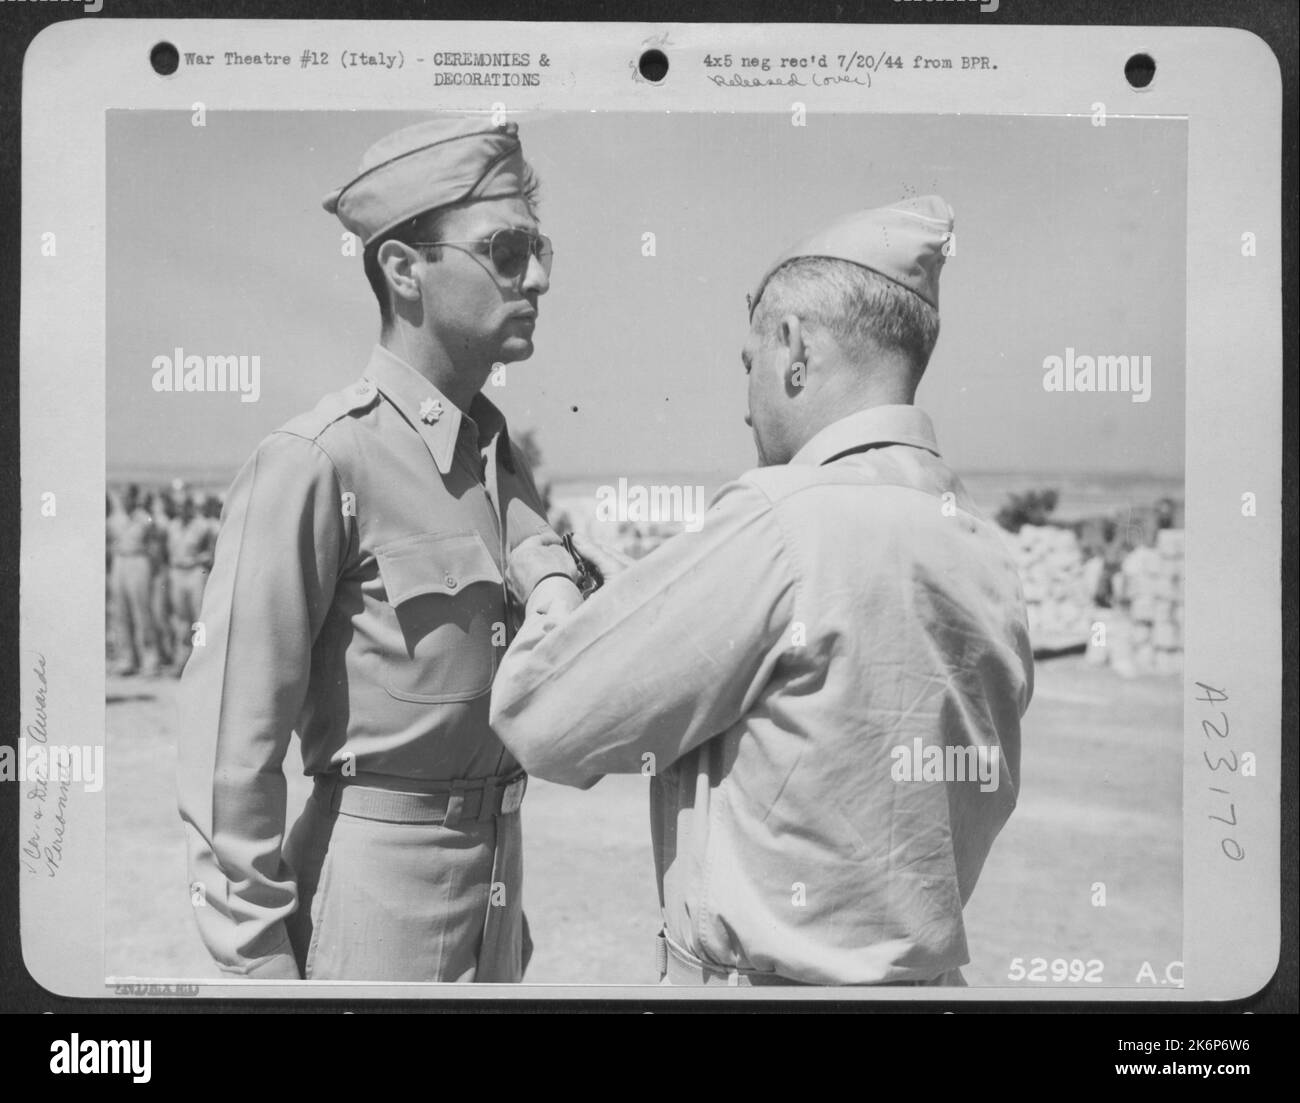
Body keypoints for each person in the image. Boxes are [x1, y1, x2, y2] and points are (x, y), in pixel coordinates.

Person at [491, 196, 1035, 986]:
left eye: (749, 369)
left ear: (793, 348)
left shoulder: (781, 519)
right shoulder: (983, 548)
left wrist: (552, 590)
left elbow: (543, 720)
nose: (745, 404)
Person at [177, 117, 581, 981]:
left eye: (539, 249)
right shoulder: (319, 460)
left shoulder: (490, 456)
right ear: (404, 271)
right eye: (506, 251)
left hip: (497, 885)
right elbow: (228, 756)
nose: (537, 277)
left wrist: (552, 580)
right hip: (375, 897)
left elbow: (532, 553)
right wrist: (261, 971)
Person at [106, 483, 162, 676]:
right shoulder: (114, 519)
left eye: (128, 496)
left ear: (135, 497)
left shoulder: (145, 518)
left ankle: (150, 659)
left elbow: (155, 546)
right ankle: (127, 659)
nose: (124, 500)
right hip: (120, 561)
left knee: (142, 611)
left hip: (139, 561)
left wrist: (154, 572)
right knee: (120, 613)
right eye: (122, 496)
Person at [166, 494, 215, 676]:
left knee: (199, 619)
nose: (182, 510)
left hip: (195, 571)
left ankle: (202, 660)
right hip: (177, 572)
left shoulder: (203, 526)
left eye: (185, 506)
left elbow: (211, 551)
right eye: (179, 506)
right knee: (180, 619)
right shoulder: (172, 526)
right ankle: (182, 661)